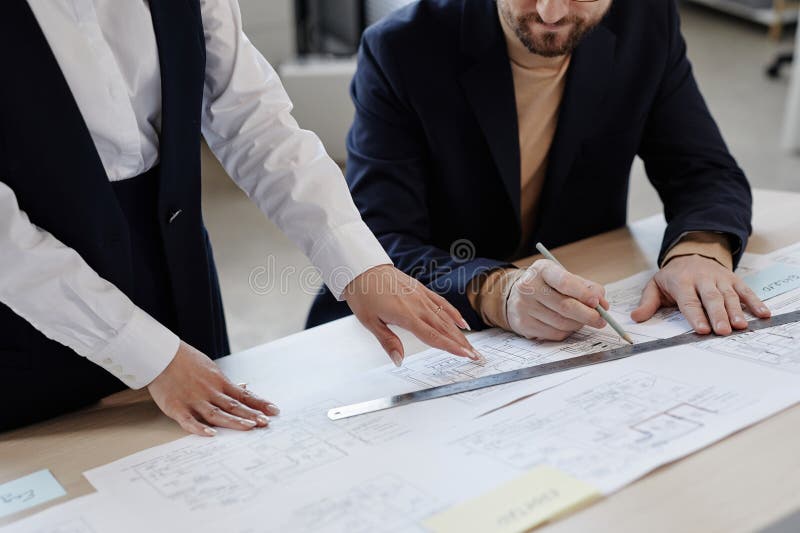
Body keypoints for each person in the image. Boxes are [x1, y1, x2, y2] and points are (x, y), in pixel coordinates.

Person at [0, 0, 481, 434]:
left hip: (178, 274)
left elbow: (251, 119)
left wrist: (359, 264)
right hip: (32, 309)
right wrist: (149, 354)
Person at [307, 0, 772, 342]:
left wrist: (698, 252)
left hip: (579, 317)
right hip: (416, 322)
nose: (550, 12)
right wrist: (498, 291)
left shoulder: (647, 22)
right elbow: (380, 239)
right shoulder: (402, 48)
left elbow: (704, 170)